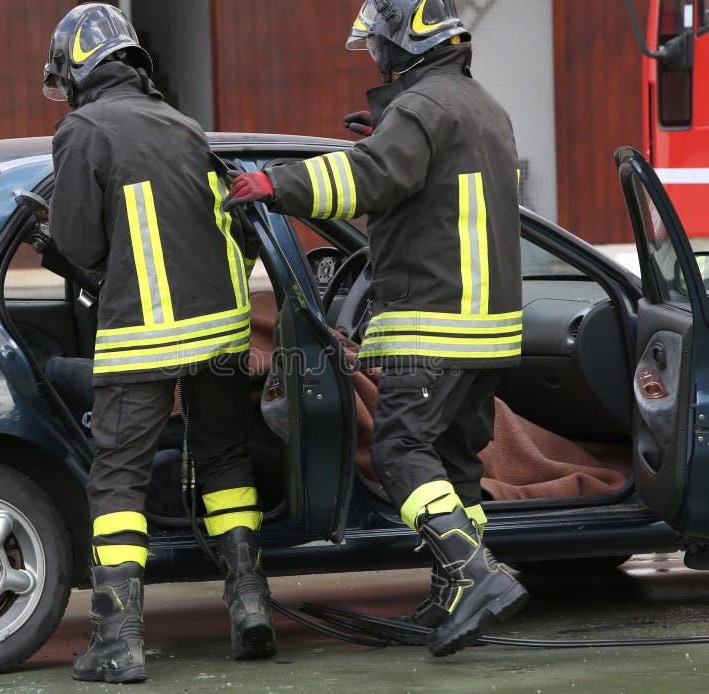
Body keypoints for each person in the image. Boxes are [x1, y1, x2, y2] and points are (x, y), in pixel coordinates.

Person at [223, 0, 527, 657]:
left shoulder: (424, 109)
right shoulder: (479, 107)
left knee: (399, 451)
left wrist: (274, 183)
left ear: (405, 42)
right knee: (453, 466)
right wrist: (388, 127)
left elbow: (368, 177)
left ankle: (477, 576)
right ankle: (455, 594)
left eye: (379, 46)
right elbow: (429, 183)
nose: (377, 58)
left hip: (437, 326)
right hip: (488, 332)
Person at [42, 3, 274, 682]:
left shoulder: (83, 129)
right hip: (224, 327)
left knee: (118, 479)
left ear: (78, 66)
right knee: (226, 460)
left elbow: (82, 244)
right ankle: (251, 604)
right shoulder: (183, 125)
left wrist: (57, 242)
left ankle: (118, 642)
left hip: (144, 335)